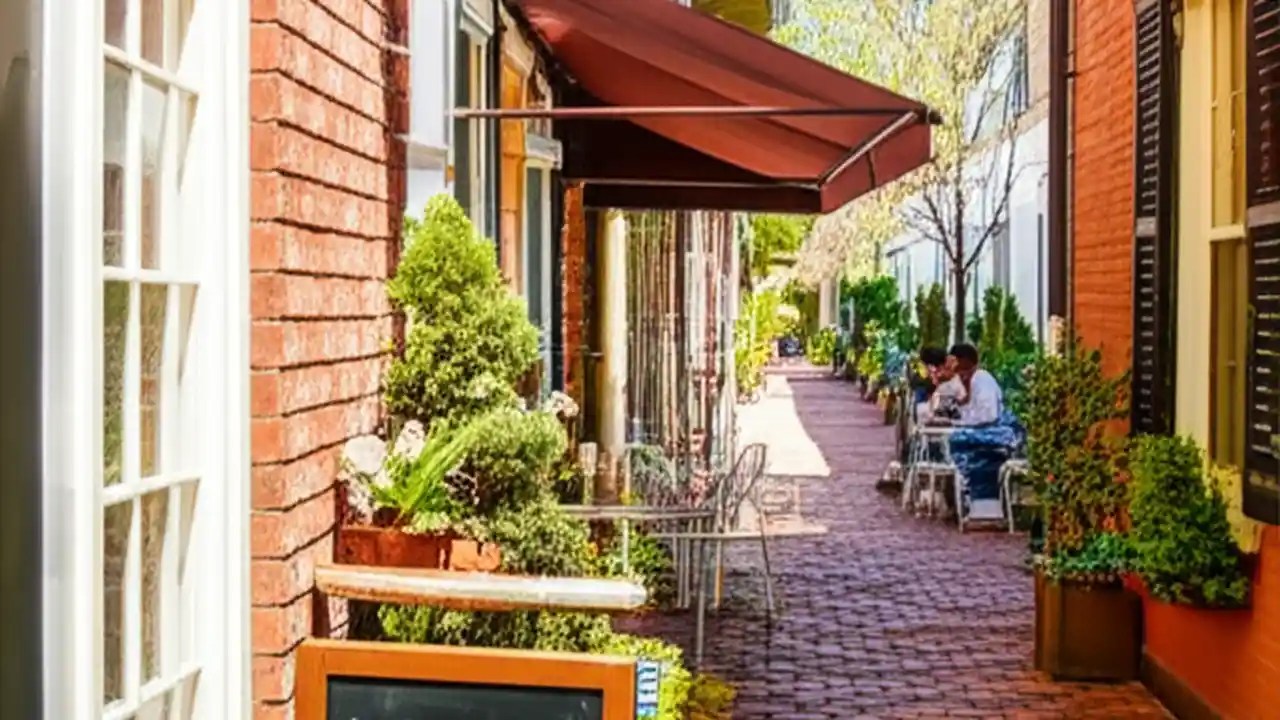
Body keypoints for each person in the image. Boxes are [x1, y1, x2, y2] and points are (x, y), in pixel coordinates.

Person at [949, 342, 1002, 426]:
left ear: (963, 361)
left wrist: (955, 423)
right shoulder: (962, 381)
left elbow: (987, 417)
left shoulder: (982, 379)